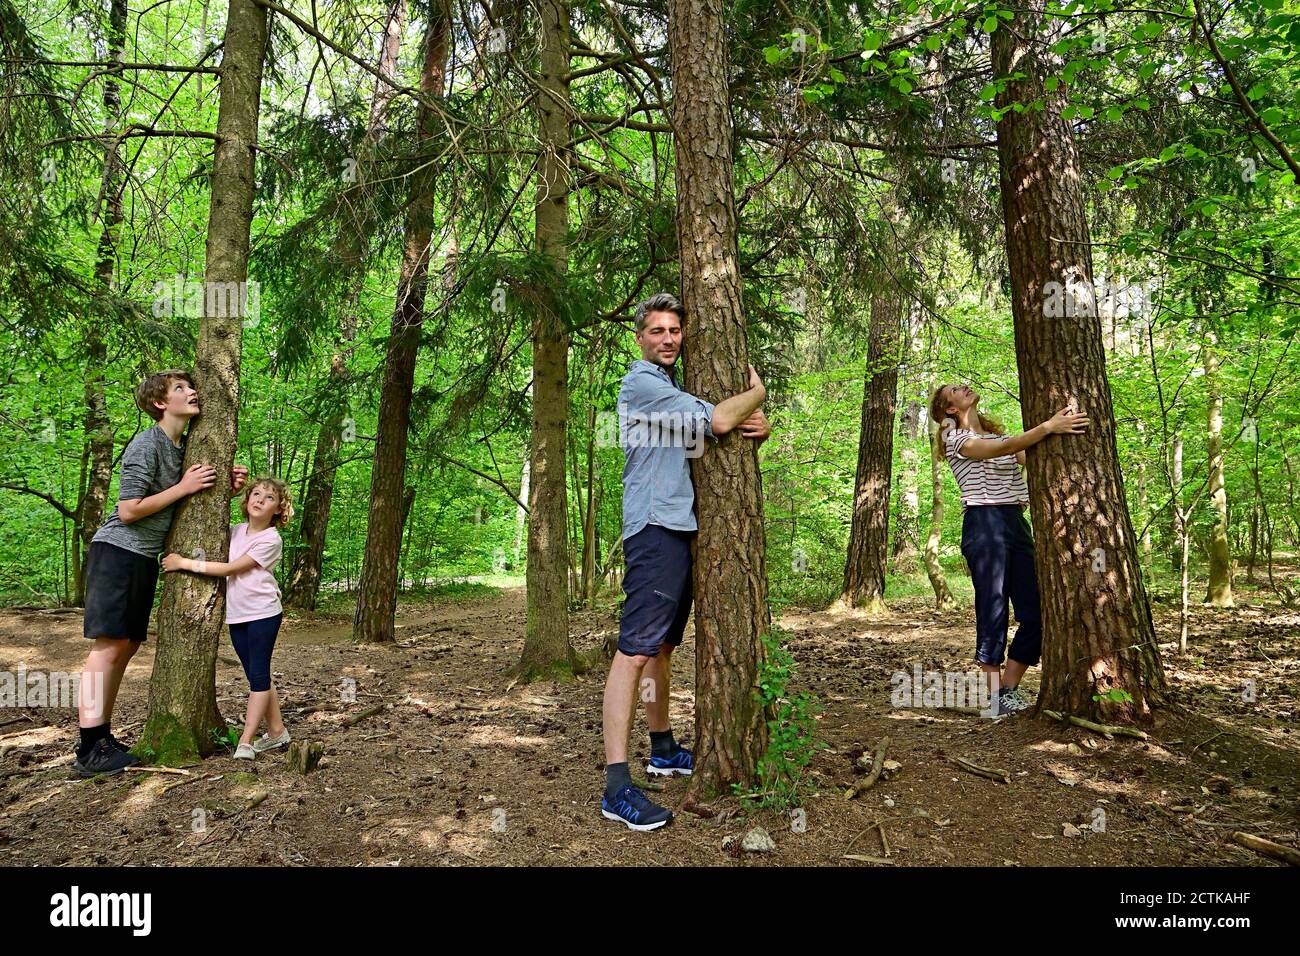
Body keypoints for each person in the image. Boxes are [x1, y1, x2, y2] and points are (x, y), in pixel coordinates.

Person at [600, 292, 771, 831]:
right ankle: (616, 786)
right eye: (657, 330)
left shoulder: (669, 391)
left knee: (661, 648)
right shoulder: (641, 384)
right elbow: (719, 421)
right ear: (640, 338)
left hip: (676, 528)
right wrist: (758, 395)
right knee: (633, 651)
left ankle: (663, 748)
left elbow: (709, 441)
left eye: (675, 330)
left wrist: (756, 435)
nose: (668, 338)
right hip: (654, 529)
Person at [74, 370, 247, 777]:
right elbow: (129, 509)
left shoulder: (183, 447)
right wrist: (185, 487)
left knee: (127, 646)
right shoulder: (147, 444)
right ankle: (87, 749)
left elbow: (185, 508)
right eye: (181, 389)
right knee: (108, 647)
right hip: (117, 551)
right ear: (159, 402)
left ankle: (100, 736)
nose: (192, 393)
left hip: (141, 557)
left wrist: (228, 488)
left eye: (191, 387)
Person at [929, 383, 1088, 716]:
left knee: (1039, 609)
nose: (964, 386)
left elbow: (1025, 453)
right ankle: (993, 696)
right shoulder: (955, 438)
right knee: (993, 606)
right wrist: (1048, 426)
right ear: (950, 409)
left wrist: (1054, 435)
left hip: (1016, 522)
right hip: (984, 522)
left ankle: (1007, 690)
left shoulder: (993, 433)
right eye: (956, 390)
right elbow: (1004, 448)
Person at [163, 477, 293, 759]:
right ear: (246, 502)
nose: (260, 499)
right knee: (255, 675)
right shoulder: (234, 531)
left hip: (263, 613)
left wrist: (184, 563)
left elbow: (232, 568)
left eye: (269, 498)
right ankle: (277, 731)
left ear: (279, 510)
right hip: (237, 615)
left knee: (258, 676)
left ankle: (245, 741)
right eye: (255, 494)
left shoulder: (271, 539)